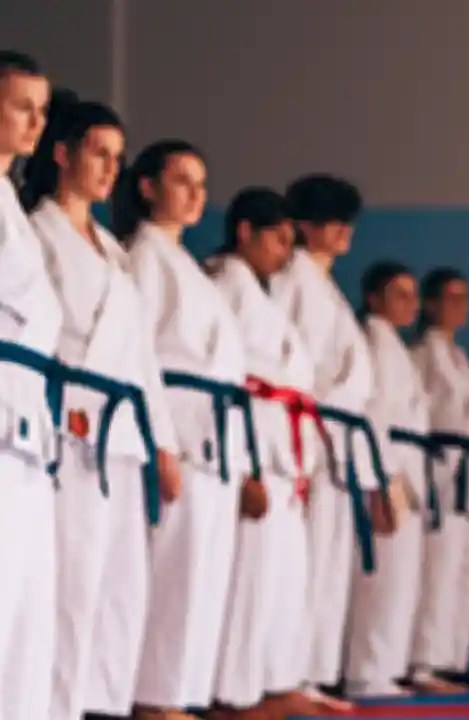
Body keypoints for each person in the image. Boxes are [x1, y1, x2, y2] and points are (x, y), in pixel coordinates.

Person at [22, 91, 183, 720]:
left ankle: (103, 705)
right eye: (98, 152)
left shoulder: (113, 253)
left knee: (120, 587)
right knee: (69, 584)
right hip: (69, 430)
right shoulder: (38, 233)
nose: (110, 167)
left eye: (118, 155)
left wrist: (163, 443)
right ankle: (57, 707)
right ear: (62, 155)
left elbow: (142, 359)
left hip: (123, 436)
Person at [117, 140, 255, 720]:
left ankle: (182, 692)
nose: (197, 195)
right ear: (147, 186)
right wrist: (160, 441)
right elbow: (136, 355)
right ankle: (155, 697)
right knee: (174, 568)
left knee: (204, 571)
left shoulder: (187, 265)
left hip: (214, 436)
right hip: (178, 428)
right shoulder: (142, 258)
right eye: (182, 181)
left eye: (202, 184)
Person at [275, 172, 396, 712]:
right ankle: (291, 675)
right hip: (311, 434)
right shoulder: (291, 282)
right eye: (332, 221)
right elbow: (289, 367)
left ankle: (314, 674)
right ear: (305, 226)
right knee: (302, 565)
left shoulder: (322, 286)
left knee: (327, 566)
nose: (344, 232)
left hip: (336, 442)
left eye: (347, 222)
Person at [206, 187, 320, 719]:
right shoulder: (222, 283)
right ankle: (234, 693)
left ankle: (273, 682)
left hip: (281, 447)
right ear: (246, 232)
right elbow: (226, 380)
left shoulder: (256, 291)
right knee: (249, 577)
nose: (284, 251)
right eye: (277, 238)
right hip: (250, 442)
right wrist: (245, 463)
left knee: (281, 577)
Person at [0, 49, 59, 720]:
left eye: (43, 110)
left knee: (25, 592)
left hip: (24, 414)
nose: (35, 121)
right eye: (23, 106)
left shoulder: (11, 202)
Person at [345, 261, 432, 698]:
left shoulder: (394, 346)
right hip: (389, 464)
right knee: (383, 577)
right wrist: (382, 476)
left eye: (413, 295)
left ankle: (385, 667)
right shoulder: (375, 344)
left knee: (401, 578)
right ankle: (367, 670)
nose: (410, 304)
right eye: (399, 294)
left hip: (406, 465)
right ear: (374, 298)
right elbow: (373, 414)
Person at [409, 266, 469, 696]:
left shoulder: (457, 356)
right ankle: (423, 661)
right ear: (431, 304)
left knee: (463, 570)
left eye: (464, 299)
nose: (460, 308)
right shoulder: (422, 354)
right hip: (441, 471)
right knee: (437, 568)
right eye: (451, 298)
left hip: (468, 473)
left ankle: (449, 659)